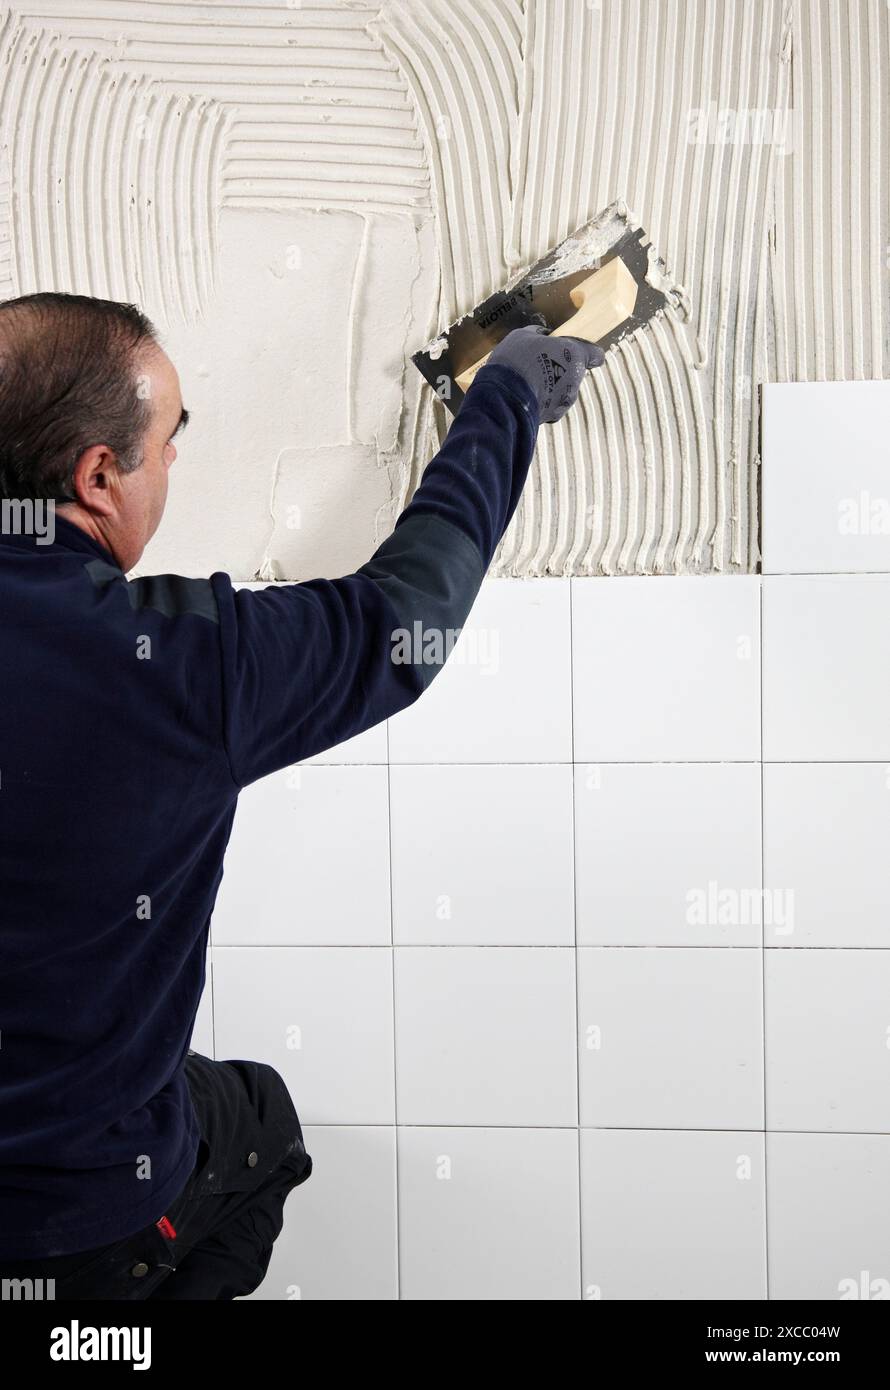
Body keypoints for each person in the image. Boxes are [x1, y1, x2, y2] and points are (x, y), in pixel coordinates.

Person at [0, 291, 603, 1300]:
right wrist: (502, 399)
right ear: (99, 474)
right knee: (263, 1134)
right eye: (171, 438)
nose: (176, 462)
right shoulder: (176, 665)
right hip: (73, 1218)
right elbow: (407, 616)